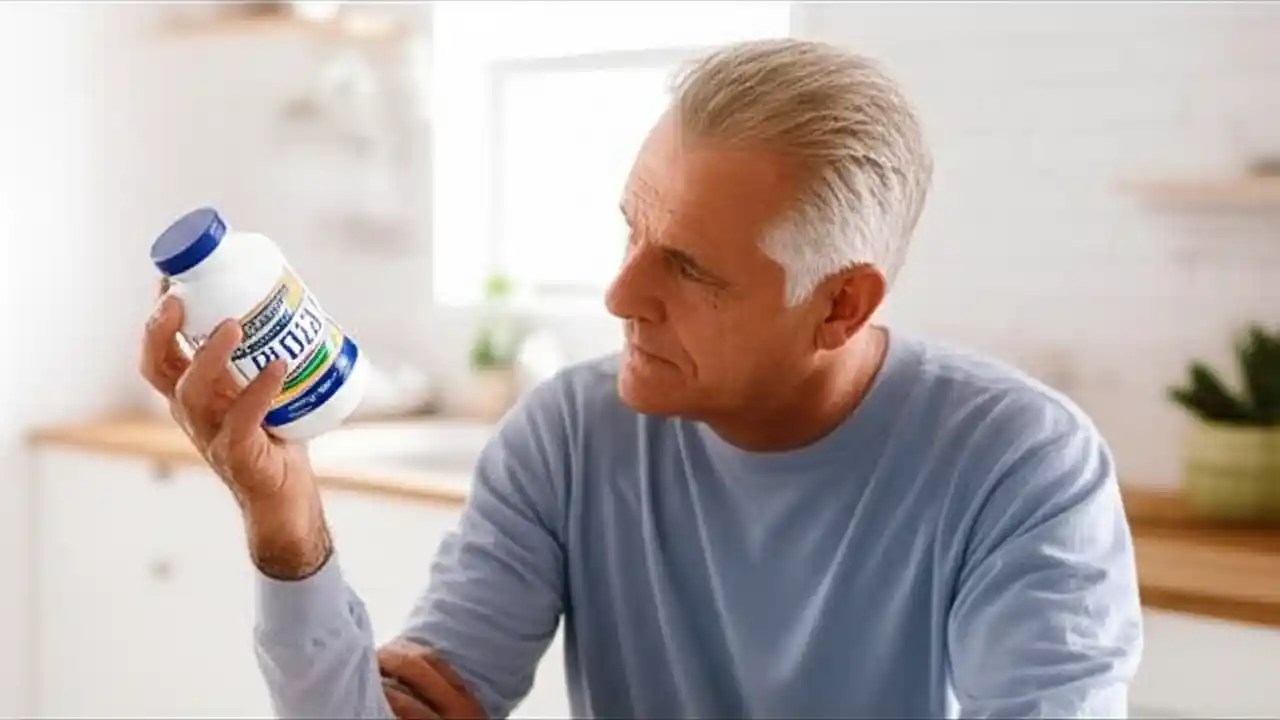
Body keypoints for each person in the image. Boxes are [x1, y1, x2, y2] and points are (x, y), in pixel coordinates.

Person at [140, 39, 1142, 719]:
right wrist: (288, 533)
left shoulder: (1019, 468)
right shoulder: (569, 436)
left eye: (691, 268)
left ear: (839, 305)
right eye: (632, 226)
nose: (619, 295)